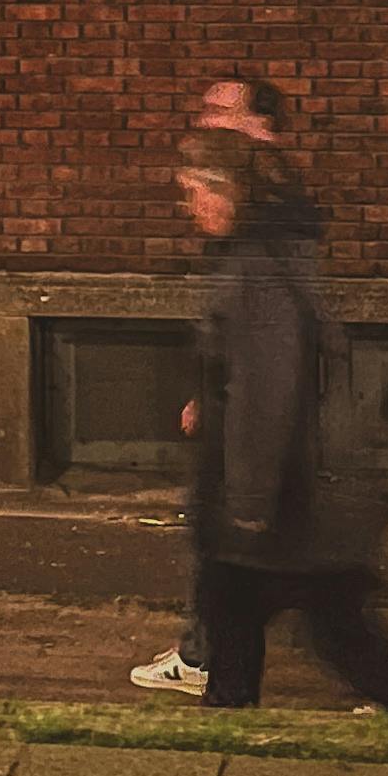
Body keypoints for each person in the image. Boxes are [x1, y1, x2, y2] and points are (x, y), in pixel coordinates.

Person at [178, 130, 388, 714]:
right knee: (280, 624)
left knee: (326, 632)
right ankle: (229, 727)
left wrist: (248, 503)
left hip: (291, 503)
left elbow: (265, 392)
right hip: (301, 497)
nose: (189, 205)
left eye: (194, 190)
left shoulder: (255, 272)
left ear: (225, 193)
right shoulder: (272, 256)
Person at [130, 79, 293, 697]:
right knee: (234, 551)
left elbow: (262, 335)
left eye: (222, 112)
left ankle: (209, 658)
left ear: (259, 124)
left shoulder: (268, 215)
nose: (207, 122)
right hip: (241, 403)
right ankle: (211, 656)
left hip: (256, 414)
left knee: (246, 547)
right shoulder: (255, 212)